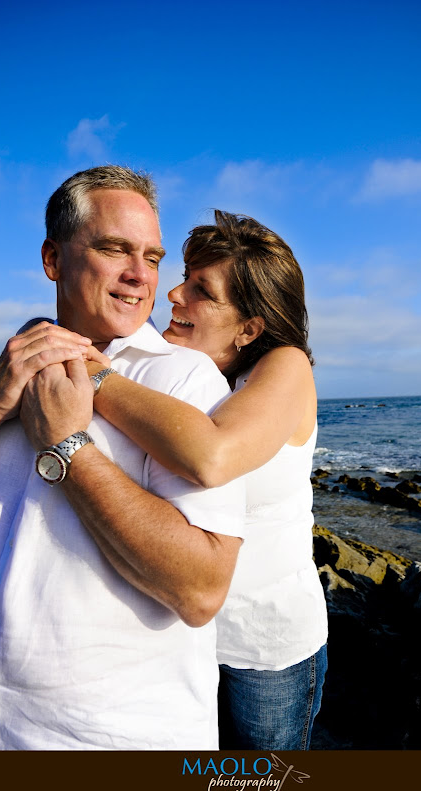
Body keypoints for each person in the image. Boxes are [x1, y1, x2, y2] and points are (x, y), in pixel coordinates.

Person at [0, 166, 245, 751]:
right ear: (53, 259)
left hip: (111, 740)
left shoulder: (184, 382)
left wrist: (69, 447)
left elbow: (200, 590)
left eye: (152, 255)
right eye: (113, 249)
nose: (139, 276)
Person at [81, 210, 328, 750]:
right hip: (175, 643)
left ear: (249, 328)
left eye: (201, 289)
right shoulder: (186, 373)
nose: (172, 293)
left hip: (263, 654)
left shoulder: (285, 367)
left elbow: (212, 456)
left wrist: (88, 374)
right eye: (184, 276)